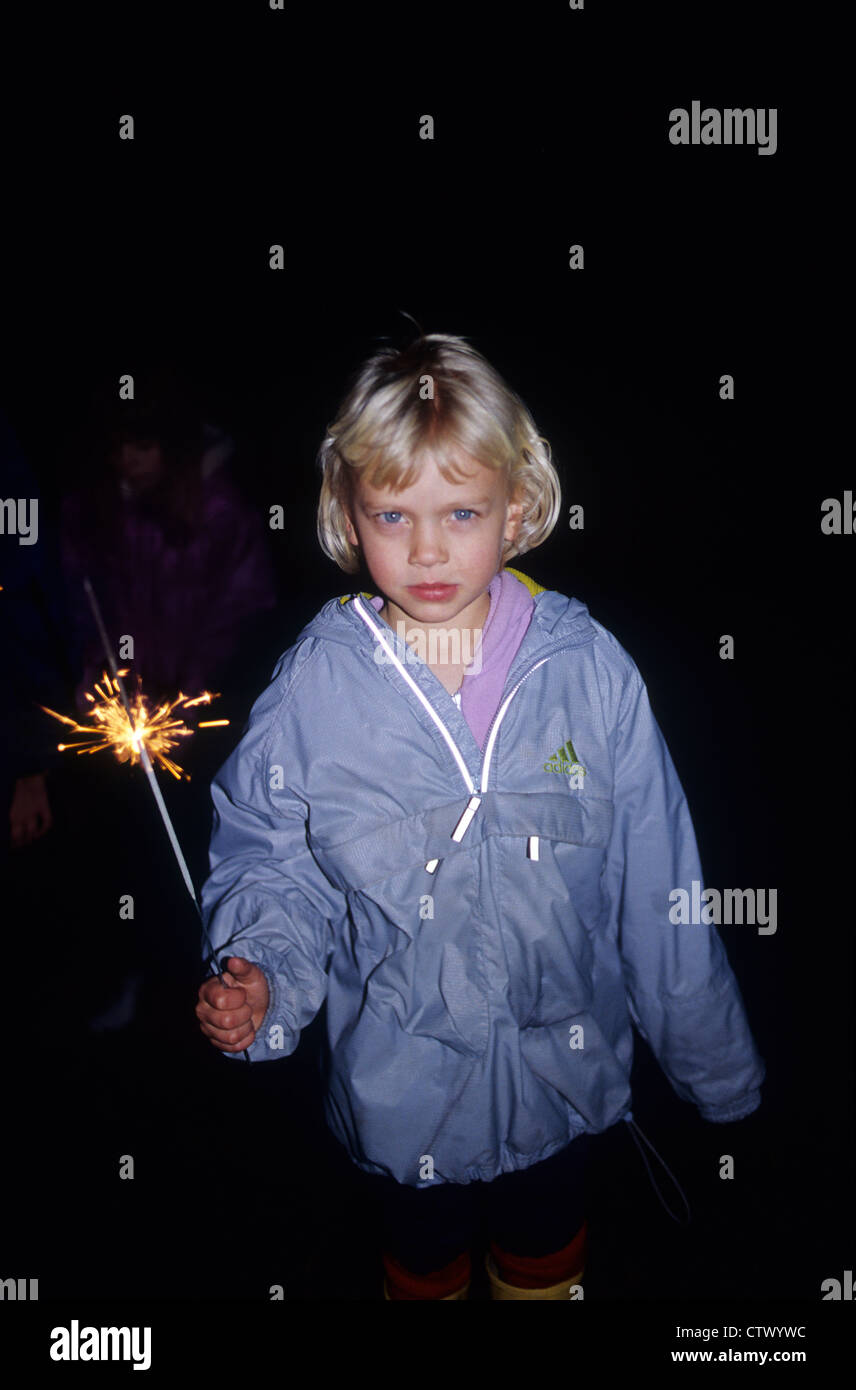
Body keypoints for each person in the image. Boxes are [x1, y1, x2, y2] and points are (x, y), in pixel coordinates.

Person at [195, 333, 765, 1300]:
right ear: (346, 511)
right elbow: (274, 863)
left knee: (547, 1270)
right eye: (392, 513)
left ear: (518, 506)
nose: (425, 549)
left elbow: (660, 885)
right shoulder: (315, 691)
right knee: (421, 1276)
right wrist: (263, 975)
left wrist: (717, 1071)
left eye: (461, 511)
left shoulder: (587, 671)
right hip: (402, 1102)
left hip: (563, 1092)